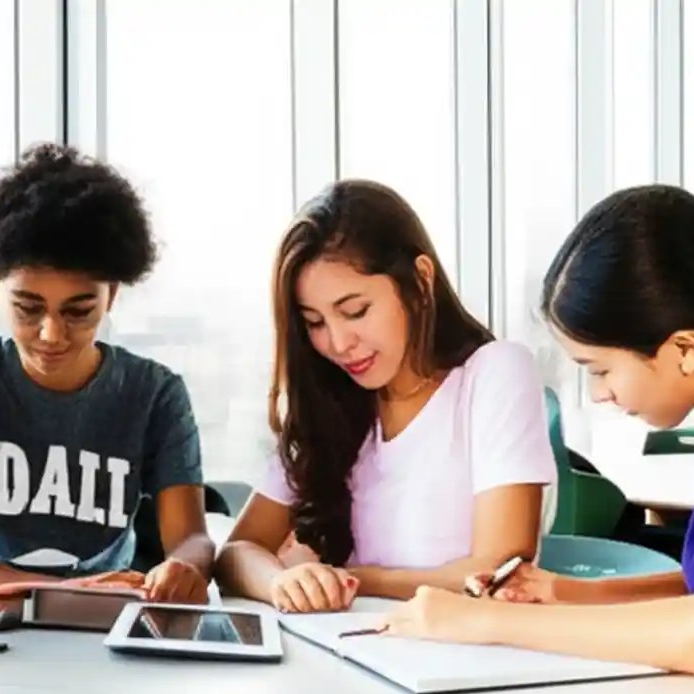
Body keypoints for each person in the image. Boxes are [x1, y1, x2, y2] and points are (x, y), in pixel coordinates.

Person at [381, 184, 694, 677]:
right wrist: (563, 593)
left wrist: (486, 621)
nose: (599, 393)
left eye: (599, 369)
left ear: (684, 349)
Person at [214, 180, 554, 612]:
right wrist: (283, 582)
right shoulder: (332, 406)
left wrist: (352, 579)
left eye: (355, 311)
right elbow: (237, 552)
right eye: (314, 323)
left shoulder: (494, 373)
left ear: (420, 280)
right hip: (355, 650)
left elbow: (498, 570)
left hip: (466, 662)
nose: (337, 343)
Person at [0, 144, 212, 604]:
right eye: (28, 309)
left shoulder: (155, 393)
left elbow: (192, 540)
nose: (51, 334)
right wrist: (65, 590)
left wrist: (184, 567)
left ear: (111, 295)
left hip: (105, 620)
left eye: (79, 311)